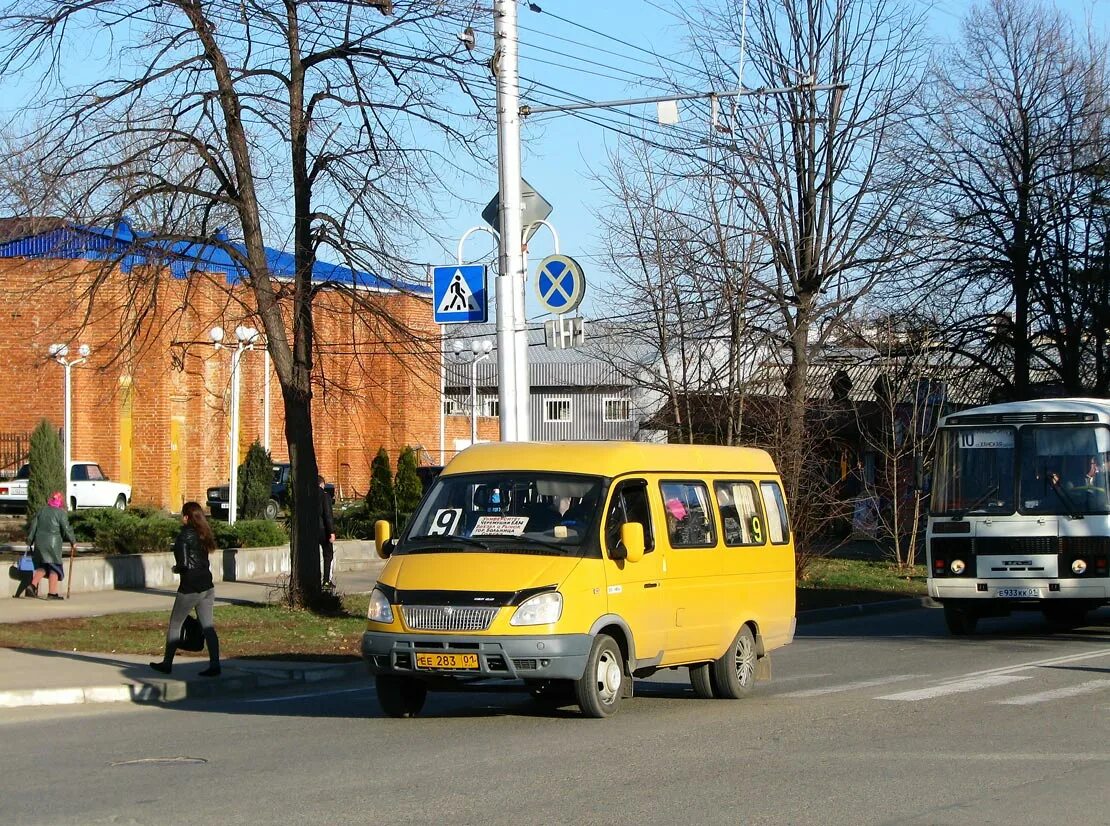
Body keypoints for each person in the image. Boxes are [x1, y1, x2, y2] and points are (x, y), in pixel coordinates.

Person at [150, 501, 221, 677]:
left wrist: (175, 569)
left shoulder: (183, 536)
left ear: (187, 517)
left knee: (175, 624)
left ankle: (167, 663)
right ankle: (215, 665)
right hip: (207, 586)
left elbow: (183, 564)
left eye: (183, 515)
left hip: (190, 587)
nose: (182, 518)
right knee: (208, 627)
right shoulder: (203, 533)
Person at [25, 491, 77, 600]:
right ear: (60, 502)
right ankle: (52, 593)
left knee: (43, 565)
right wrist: (73, 541)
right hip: (53, 545)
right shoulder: (61, 513)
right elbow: (66, 529)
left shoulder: (42, 510)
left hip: (40, 543)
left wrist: (30, 539)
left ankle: (32, 585)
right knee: (55, 567)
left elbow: (33, 526)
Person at [319, 475, 336, 589]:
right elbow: (328, 515)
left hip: (310, 531)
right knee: (328, 555)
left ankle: (313, 579)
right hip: (323, 530)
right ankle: (326, 580)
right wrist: (331, 532)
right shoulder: (325, 496)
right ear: (322, 484)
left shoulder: (308, 496)